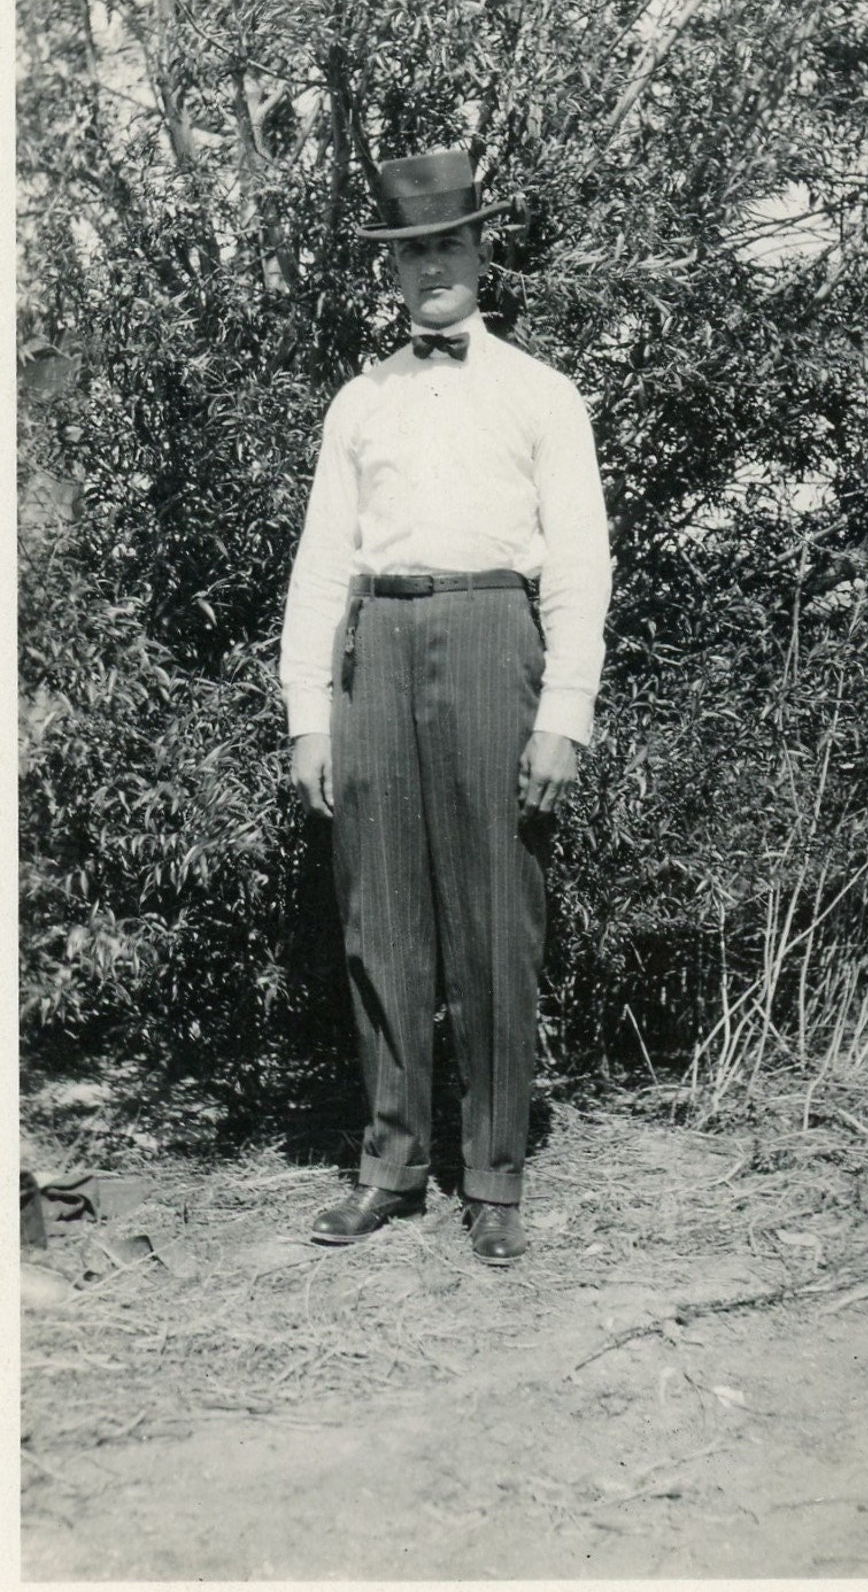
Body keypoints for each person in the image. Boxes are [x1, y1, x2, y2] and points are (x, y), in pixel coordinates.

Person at [280, 149, 611, 1263]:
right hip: (376, 644)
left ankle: (496, 1175)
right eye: (413, 251)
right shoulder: (357, 401)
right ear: (393, 270)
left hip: (489, 638)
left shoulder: (542, 393)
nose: (434, 267)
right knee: (379, 916)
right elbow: (323, 565)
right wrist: (308, 713)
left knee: (493, 919)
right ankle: (391, 1161)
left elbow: (578, 563)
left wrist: (565, 706)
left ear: (479, 251)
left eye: (449, 244)